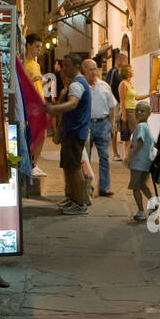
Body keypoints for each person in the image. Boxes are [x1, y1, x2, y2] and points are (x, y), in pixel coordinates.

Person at [46, 56, 91, 215]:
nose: (64, 69)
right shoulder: (77, 83)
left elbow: (73, 103)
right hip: (72, 131)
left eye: (67, 65)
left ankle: (79, 203)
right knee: (69, 167)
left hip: (74, 131)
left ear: (77, 66)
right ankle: (73, 199)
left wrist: (54, 109)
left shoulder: (77, 84)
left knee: (74, 169)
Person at [84, 58, 117, 197]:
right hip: (87, 124)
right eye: (90, 69)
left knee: (104, 156)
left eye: (95, 68)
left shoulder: (104, 86)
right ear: (84, 71)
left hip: (103, 124)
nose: (94, 72)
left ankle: (104, 187)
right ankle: (87, 187)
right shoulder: (81, 86)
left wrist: (113, 125)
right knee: (87, 158)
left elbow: (112, 107)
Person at [126, 99, 155, 222]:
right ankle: (154, 205)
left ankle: (141, 211)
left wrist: (130, 157)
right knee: (143, 185)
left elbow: (140, 141)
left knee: (135, 187)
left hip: (138, 162)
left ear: (148, 113)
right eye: (137, 111)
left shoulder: (141, 127)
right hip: (147, 162)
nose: (139, 113)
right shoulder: (147, 127)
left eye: (142, 111)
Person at [118, 62, 138, 148]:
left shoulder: (130, 83)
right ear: (127, 72)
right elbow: (122, 101)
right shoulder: (123, 84)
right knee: (131, 135)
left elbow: (136, 97)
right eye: (131, 70)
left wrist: (149, 94)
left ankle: (128, 156)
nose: (133, 71)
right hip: (128, 111)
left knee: (130, 135)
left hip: (133, 110)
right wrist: (124, 115)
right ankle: (128, 156)